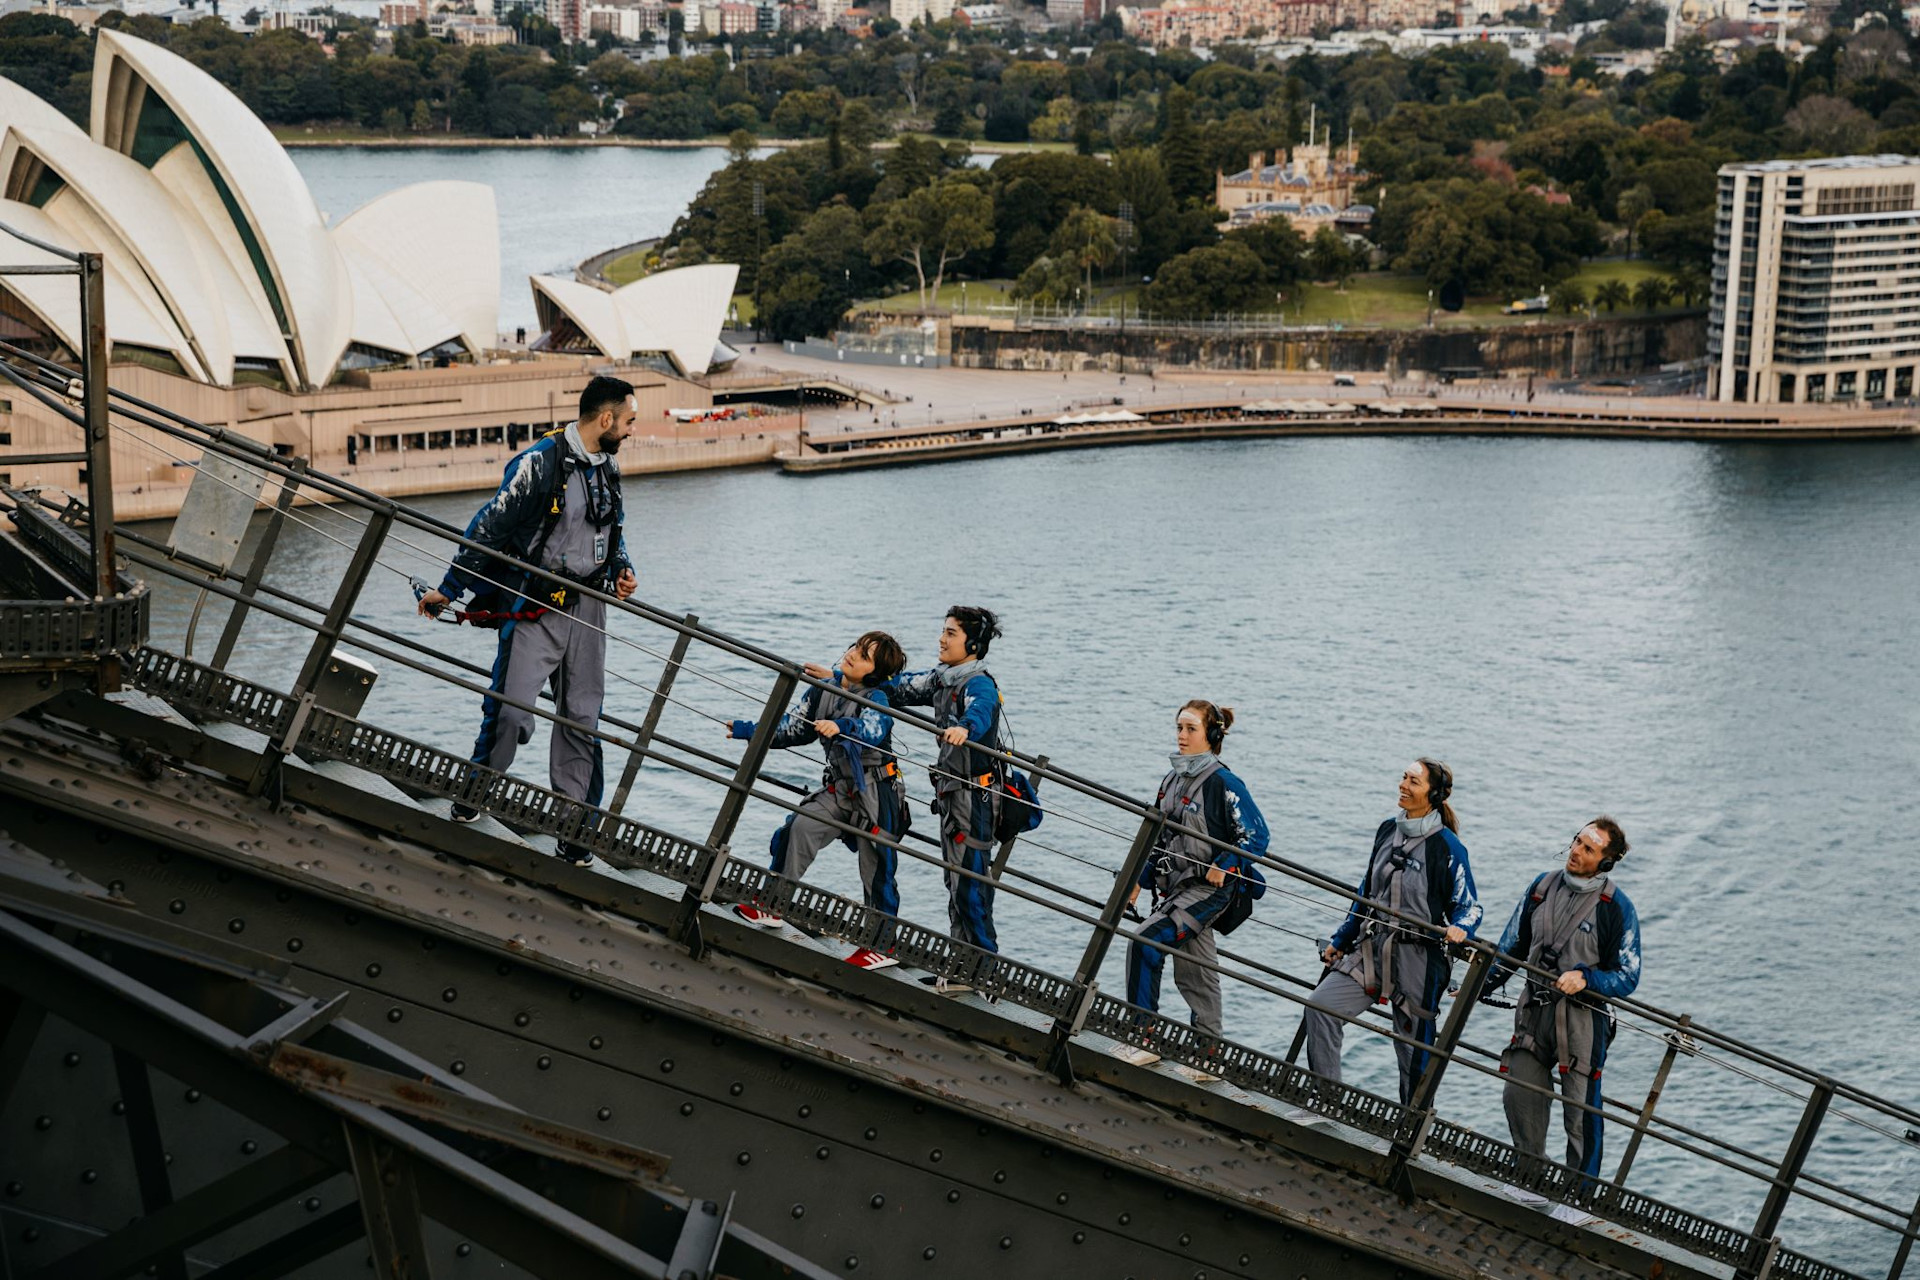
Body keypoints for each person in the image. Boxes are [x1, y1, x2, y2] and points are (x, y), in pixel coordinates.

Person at [417, 376, 640, 865]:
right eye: (627, 421)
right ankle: (474, 794)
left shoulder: (610, 469)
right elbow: (488, 527)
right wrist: (449, 589)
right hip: (534, 604)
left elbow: (613, 530)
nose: (629, 431)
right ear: (605, 419)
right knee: (511, 710)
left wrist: (623, 569)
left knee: (582, 720)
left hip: (588, 608)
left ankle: (575, 830)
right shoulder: (539, 463)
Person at [1295, 760, 1482, 1113]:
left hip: (1419, 961)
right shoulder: (1386, 831)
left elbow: (1470, 907)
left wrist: (1462, 928)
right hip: (1372, 948)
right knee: (1321, 1006)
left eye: (1414, 781)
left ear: (1434, 794)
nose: (1403, 785)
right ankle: (1326, 1103)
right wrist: (1340, 939)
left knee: (1412, 1049)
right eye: (1403, 777)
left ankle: (1411, 1126)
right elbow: (1365, 893)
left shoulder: (1448, 848)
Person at [1482, 817, 1642, 1224]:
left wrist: (1588, 978)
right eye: (1577, 841)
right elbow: (1511, 944)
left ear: (1606, 862)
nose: (1576, 851)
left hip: (1583, 1022)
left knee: (1581, 1111)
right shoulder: (1541, 886)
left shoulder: (1617, 908)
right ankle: (1531, 1177)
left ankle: (1581, 1198)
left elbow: (1628, 975)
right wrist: (1481, 984)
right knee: (1518, 1092)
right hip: (1533, 1010)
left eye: (1589, 849)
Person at [726, 631, 911, 971]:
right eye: (856, 647)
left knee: (877, 867)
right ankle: (772, 903)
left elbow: (870, 729)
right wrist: (749, 730)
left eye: (865, 656)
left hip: (878, 792)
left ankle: (882, 944)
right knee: (799, 826)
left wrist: (841, 726)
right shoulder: (823, 690)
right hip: (840, 788)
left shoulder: (879, 699)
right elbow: (793, 728)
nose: (854, 654)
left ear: (874, 673)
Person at [1112, 701, 1269, 1076]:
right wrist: (1138, 882)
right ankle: (1208, 1053)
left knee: (1146, 942)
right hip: (1176, 889)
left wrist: (1226, 864)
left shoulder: (1224, 783)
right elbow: (1159, 839)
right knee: (1195, 971)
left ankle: (1143, 1037)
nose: (1181, 736)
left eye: (1190, 729)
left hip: (1208, 891)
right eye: (1178, 728)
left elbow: (1257, 835)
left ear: (1211, 736)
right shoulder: (1171, 780)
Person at [880, 606, 1007, 993]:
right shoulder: (942, 679)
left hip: (976, 799)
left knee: (970, 884)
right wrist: (843, 678)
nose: (942, 638)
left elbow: (981, 712)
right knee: (955, 882)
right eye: (944, 631)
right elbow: (898, 687)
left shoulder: (978, 684)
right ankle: (962, 965)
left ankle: (988, 973)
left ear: (971, 644)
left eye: (950, 633)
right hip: (952, 795)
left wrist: (964, 729)